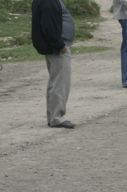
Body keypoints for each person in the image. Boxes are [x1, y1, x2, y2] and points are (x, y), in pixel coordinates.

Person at [31, 0, 76, 128]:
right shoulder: (48, 2)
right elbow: (48, 26)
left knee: (55, 81)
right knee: (60, 82)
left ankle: (53, 116)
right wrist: (60, 46)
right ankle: (57, 117)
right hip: (58, 48)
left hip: (56, 47)